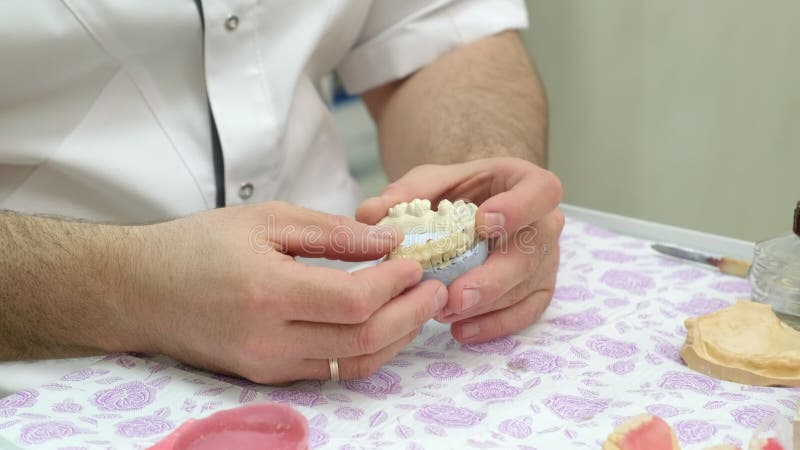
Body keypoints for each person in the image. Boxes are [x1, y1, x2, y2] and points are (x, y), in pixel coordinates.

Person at [0, 0, 563, 385]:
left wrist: (475, 189)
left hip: (376, 359)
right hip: (40, 381)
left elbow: (434, 31)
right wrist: (124, 286)